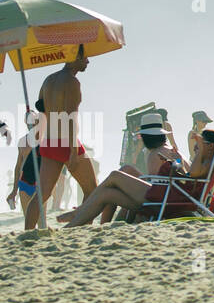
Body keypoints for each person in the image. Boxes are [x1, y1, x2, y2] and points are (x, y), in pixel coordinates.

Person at [60, 114, 197, 226]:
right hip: (173, 197)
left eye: (140, 137)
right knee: (121, 177)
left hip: (163, 203)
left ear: (146, 137)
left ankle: (79, 215)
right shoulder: (172, 152)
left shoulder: (155, 154)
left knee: (115, 177)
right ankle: (101, 226)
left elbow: (156, 189)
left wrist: (129, 192)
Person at [24, 46, 99, 230]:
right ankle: (80, 227)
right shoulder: (72, 82)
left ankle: (27, 233)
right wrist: (73, 150)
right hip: (67, 141)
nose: (88, 62)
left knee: (42, 194)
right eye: (85, 57)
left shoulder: (48, 80)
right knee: (92, 189)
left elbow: (41, 108)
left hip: (49, 140)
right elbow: (70, 116)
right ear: (75, 56)